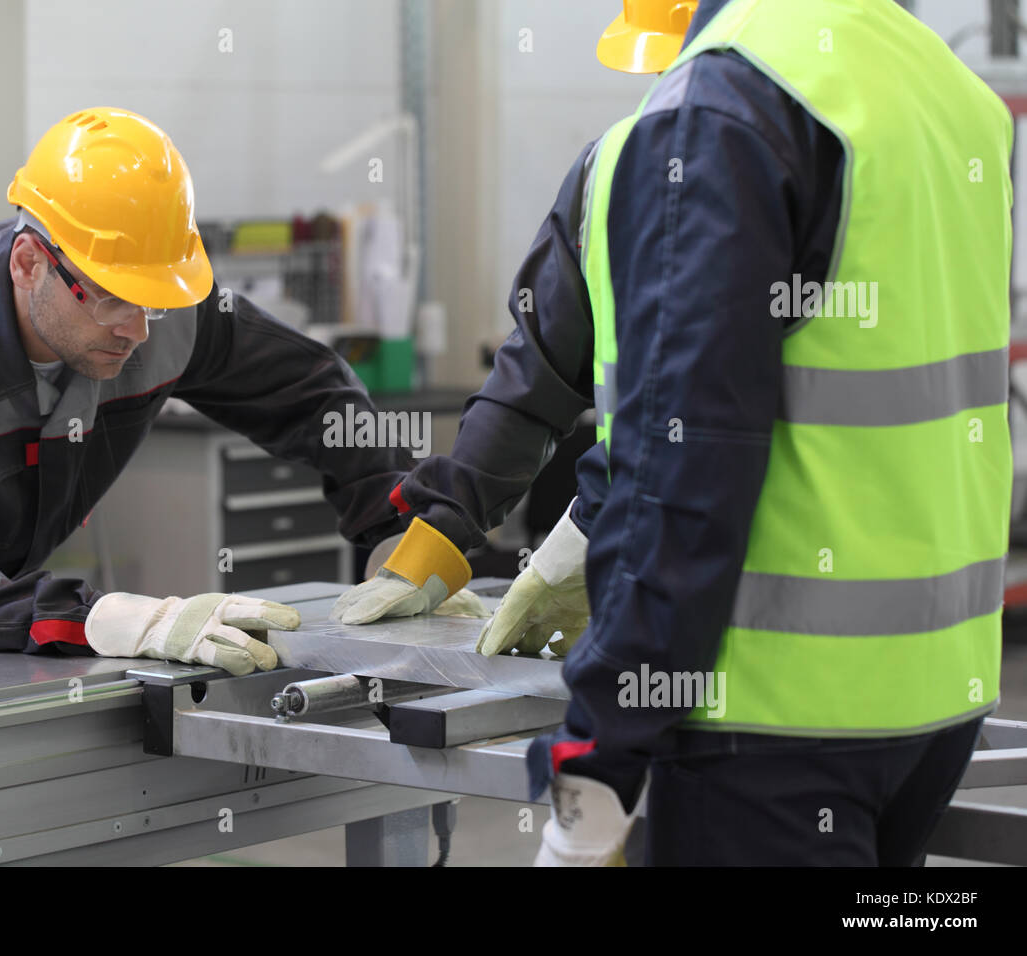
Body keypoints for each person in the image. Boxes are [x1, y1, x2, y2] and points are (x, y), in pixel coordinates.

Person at [338, 0, 1013, 867]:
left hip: (772, 718)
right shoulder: (945, 90)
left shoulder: (719, 116)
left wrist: (595, 772)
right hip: (937, 700)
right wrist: (455, 527)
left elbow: (685, 469)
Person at [0, 107, 412, 672]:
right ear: (29, 264)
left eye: (155, 299)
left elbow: (316, 391)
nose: (140, 331)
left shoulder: (159, 316)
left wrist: (398, 532)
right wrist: (118, 618)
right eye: (114, 299)